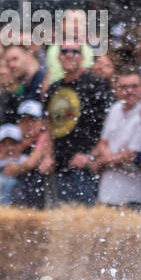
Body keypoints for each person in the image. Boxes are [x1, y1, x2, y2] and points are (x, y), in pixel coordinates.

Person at [44, 41, 113, 203]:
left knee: (86, 222)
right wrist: (48, 156)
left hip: (86, 167)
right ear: (58, 57)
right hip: (60, 165)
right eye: (64, 51)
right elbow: (47, 126)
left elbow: (108, 126)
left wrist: (91, 156)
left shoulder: (97, 84)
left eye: (74, 51)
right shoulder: (53, 89)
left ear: (82, 57)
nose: (69, 54)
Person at [90, 68, 141, 207]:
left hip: (137, 194)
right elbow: (103, 142)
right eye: (124, 87)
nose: (129, 91)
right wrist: (110, 158)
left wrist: (102, 161)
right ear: (117, 89)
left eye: (134, 86)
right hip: (109, 190)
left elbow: (132, 154)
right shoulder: (115, 108)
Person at [3, 99, 52, 208]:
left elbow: (31, 163)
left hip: (41, 192)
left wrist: (15, 169)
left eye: (33, 120)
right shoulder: (18, 140)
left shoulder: (44, 137)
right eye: (24, 120)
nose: (28, 125)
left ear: (42, 122)